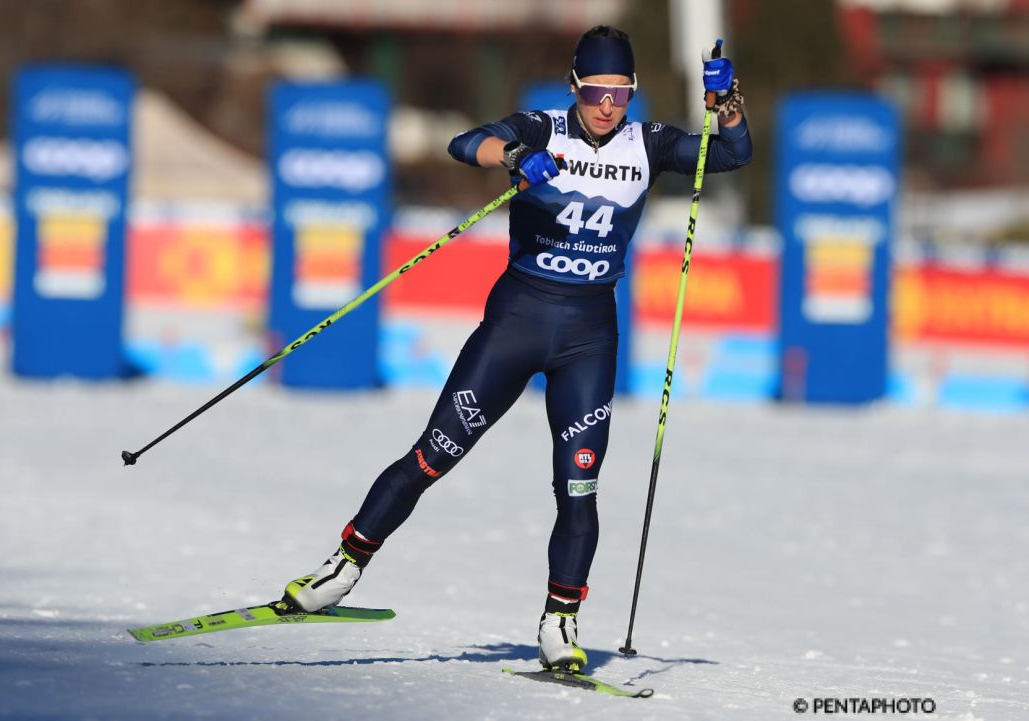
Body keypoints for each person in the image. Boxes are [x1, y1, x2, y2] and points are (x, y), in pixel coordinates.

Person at [278, 25, 751, 672]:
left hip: (588, 338)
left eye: (619, 92)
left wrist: (728, 109)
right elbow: (461, 142)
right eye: (594, 92)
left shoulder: (651, 142)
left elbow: (729, 155)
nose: (607, 106)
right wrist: (510, 157)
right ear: (573, 88)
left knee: (578, 485)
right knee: (431, 455)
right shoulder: (542, 127)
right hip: (516, 323)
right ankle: (343, 566)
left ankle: (560, 620)